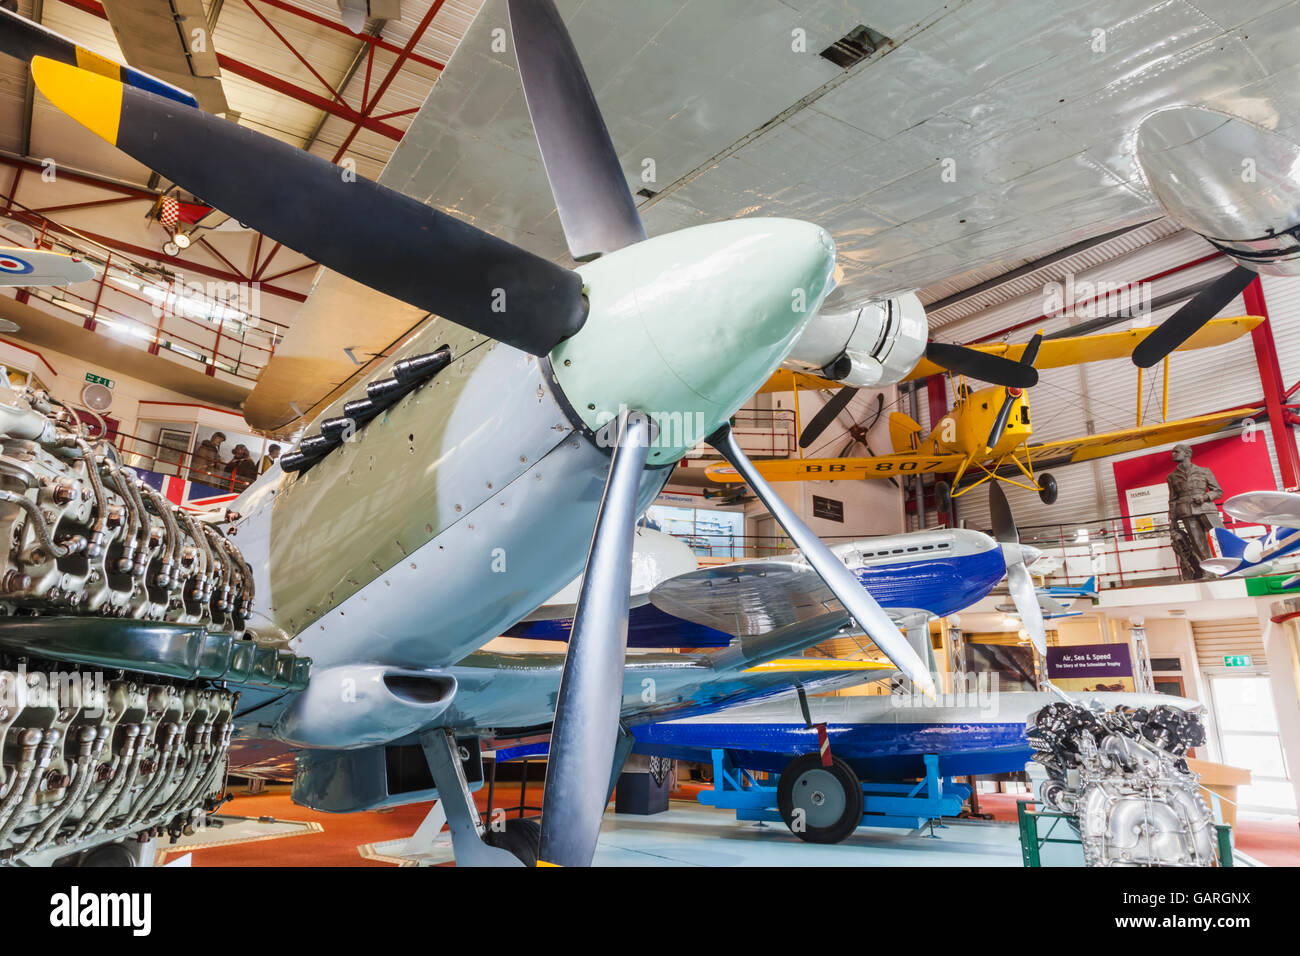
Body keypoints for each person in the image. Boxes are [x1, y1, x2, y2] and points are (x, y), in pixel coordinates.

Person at [1166, 443, 1223, 580]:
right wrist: (1173, 521)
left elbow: (1218, 492)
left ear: (1186, 453)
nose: (1173, 454)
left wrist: (1205, 497)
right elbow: (1173, 500)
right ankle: (1209, 572)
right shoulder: (1172, 477)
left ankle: (1233, 566)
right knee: (1198, 544)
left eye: (1176, 451)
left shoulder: (1204, 471)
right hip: (1187, 512)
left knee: (1221, 537)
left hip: (1207, 509)